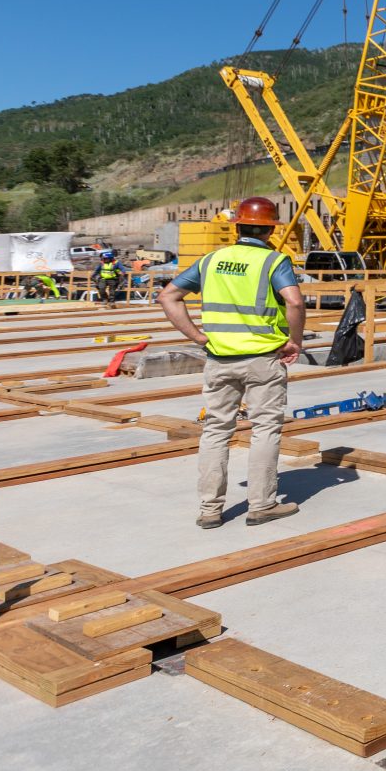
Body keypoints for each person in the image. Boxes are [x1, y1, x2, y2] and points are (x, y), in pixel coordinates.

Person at [158, 196, 306, 530]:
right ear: (270, 230)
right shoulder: (273, 261)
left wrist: (197, 337)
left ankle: (210, 509)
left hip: (219, 358)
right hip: (262, 358)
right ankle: (262, 505)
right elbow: (294, 302)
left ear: (236, 226)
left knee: (215, 430)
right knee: (264, 429)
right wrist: (294, 340)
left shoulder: (211, 260)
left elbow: (168, 296)